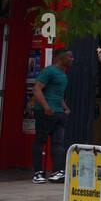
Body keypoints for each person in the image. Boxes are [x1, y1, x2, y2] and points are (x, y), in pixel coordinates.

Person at [31, 47, 74, 183]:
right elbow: (37, 89)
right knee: (40, 140)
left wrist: (65, 108)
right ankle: (38, 173)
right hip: (45, 112)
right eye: (70, 56)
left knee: (58, 143)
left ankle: (57, 172)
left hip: (59, 113)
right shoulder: (49, 71)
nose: (72, 59)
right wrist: (46, 107)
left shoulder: (63, 73)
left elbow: (57, 94)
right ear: (61, 57)